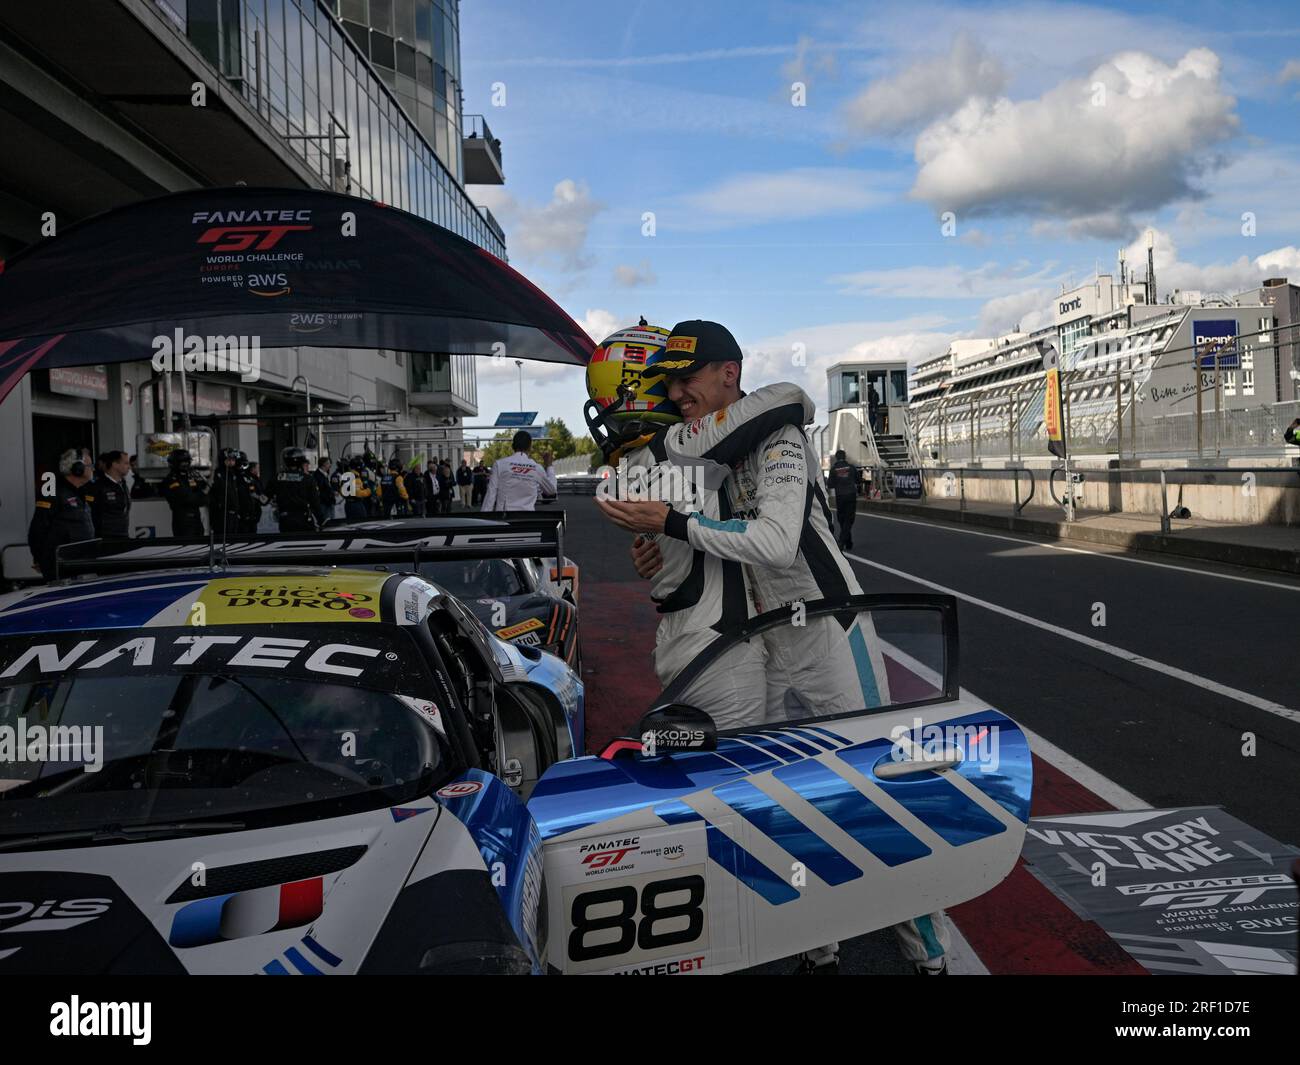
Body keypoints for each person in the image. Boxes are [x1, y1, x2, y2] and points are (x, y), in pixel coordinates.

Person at [597, 319, 950, 976]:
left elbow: (774, 543)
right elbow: (696, 543)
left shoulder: (781, 434)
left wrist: (674, 521)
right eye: (669, 381)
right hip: (767, 641)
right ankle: (821, 948)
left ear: (728, 374)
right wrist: (658, 548)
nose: (677, 393)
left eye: (687, 377)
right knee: (794, 800)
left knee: (874, 796)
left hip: (833, 631)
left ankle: (929, 957)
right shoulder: (714, 449)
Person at [27, 448, 95, 580]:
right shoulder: (53, 491)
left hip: (80, 562)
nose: (93, 469)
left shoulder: (80, 492)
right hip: (61, 564)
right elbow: (38, 529)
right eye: (90, 465)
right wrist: (39, 559)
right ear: (78, 468)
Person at [481, 431, 556, 511]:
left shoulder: (499, 464)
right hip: (526, 519)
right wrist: (549, 466)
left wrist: (484, 520)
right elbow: (551, 491)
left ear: (513, 446)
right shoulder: (536, 468)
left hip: (504, 518)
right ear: (530, 447)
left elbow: (491, 494)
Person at [269, 447, 320, 532]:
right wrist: (321, 519)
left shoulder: (277, 478)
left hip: (285, 519)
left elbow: (265, 498)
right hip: (304, 518)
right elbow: (315, 502)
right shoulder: (308, 479)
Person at [160, 448, 208, 538]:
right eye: (183, 462)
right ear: (175, 463)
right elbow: (186, 498)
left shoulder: (190, 477)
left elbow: (204, 498)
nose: (186, 464)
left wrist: (198, 496)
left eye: (187, 461)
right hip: (183, 521)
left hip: (197, 519)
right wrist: (197, 496)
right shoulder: (171, 479)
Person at [89, 450, 132, 541]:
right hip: (105, 538)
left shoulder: (123, 484)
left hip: (123, 535)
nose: (129, 467)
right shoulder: (98, 486)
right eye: (126, 463)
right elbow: (92, 514)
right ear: (115, 464)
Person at [210, 447, 250, 541]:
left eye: (233, 459)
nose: (232, 462)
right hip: (222, 515)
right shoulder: (217, 474)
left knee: (234, 540)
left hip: (235, 514)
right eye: (229, 459)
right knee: (223, 540)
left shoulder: (234, 474)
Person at [827, 449, 860, 551]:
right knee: (849, 519)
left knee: (842, 519)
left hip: (840, 496)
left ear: (836, 458)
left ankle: (847, 542)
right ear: (845, 457)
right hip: (851, 495)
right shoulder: (851, 467)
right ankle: (843, 541)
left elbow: (830, 484)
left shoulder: (833, 469)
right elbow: (858, 480)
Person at [239, 454, 267, 533]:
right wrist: (262, 499)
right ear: (252, 469)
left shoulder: (255, 479)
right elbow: (253, 493)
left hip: (255, 511)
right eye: (257, 468)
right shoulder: (248, 479)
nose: (258, 470)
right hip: (248, 511)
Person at [342, 456, 372, 520]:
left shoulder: (346, 475)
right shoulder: (356, 478)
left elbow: (342, 491)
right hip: (356, 505)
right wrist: (368, 490)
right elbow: (359, 494)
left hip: (347, 504)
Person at [313, 457, 336, 526]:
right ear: (324, 464)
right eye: (328, 463)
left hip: (329, 503)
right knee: (327, 524)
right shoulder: (317, 475)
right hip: (324, 504)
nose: (330, 465)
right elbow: (319, 490)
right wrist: (328, 497)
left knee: (332, 522)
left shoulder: (325, 474)